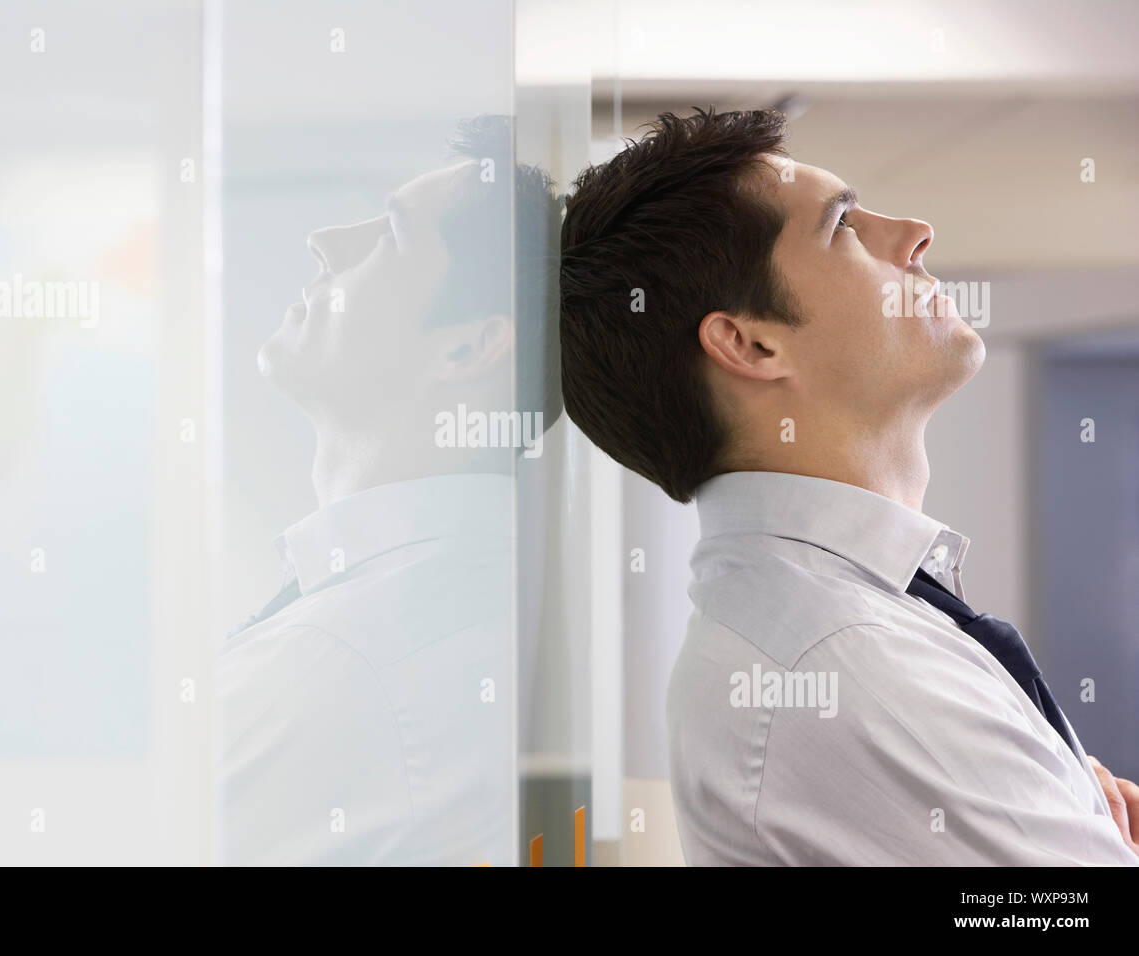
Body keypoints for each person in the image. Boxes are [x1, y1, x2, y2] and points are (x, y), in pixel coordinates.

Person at [557, 106, 1139, 865]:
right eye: (843, 226)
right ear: (750, 342)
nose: (914, 231)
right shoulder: (853, 662)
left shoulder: (841, 627)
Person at [218, 116, 563, 865]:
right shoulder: (480, 613)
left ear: (471, 346)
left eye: (390, 236)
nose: (326, 241)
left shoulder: (341, 660)